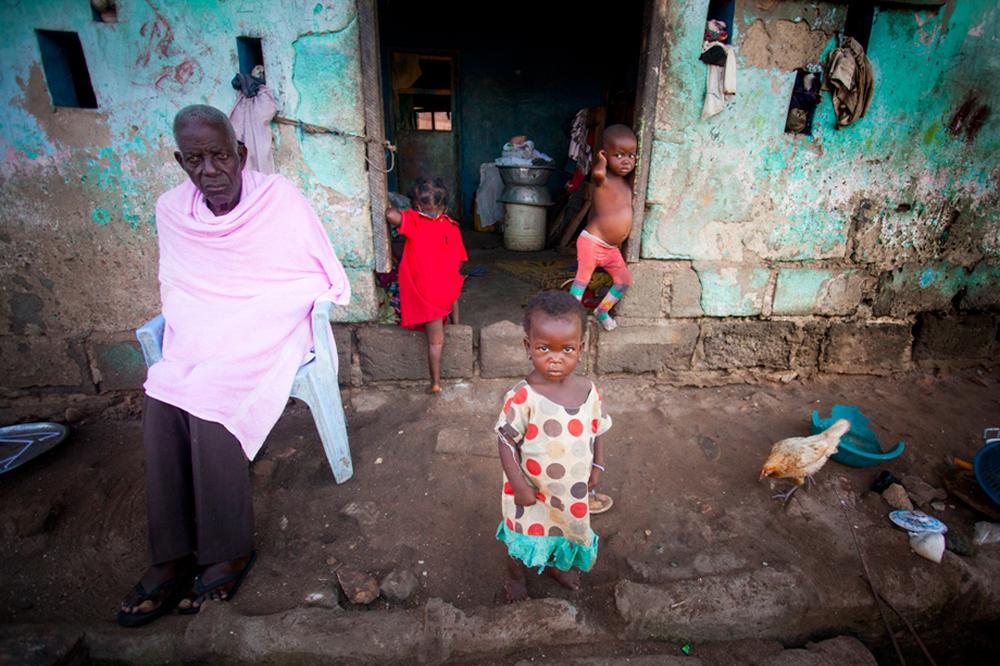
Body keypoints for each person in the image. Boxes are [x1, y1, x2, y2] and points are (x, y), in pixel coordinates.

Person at [117, 105, 350, 627]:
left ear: (241, 155)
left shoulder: (279, 199)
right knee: (163, 389)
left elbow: (311, 273)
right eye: (195, 160)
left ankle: (228, 550)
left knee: (213, 392)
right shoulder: (173, 210)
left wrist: (248, 316)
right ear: (181, 162)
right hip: (204, 326)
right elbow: (181, 286)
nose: (210, 171)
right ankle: (172, 553)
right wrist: (207, 327)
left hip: (269, 322)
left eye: (220, 156)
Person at [494, 290, 612, 602]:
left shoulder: (588, 391)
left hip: (569, 491)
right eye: (544, 348)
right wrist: (519, 485)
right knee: (523, 536)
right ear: (527, 347)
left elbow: (597, 428)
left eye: (567, 349)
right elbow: (505, 440)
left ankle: (555, 567)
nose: (555, 357)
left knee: (562, 531)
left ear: (581, 349)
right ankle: (515, 576)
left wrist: (597, 465)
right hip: (530, 489)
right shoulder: (522, 396)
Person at [386, 177, 467, 393]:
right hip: (448, 289)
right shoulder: (453, 227)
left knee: (435, 342)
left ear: (418, 206)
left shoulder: (414, 221)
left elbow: (390, 215)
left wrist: (400, 208)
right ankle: (456, 321)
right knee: (454, 281)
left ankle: (435, 382)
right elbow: (458, 261)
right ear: (445, 207)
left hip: (427, 293)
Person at [569, 124, 638, 331]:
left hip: (610, 248)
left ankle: (602, 310)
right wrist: (601, 162)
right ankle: (571, 319)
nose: (626, 161)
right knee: (582, 280)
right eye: (618, 155)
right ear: (605, 154)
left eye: (632, 156)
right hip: (592, 242)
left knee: (623, 281)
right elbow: (598, 173)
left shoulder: (627, 183)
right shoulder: (602, 178)